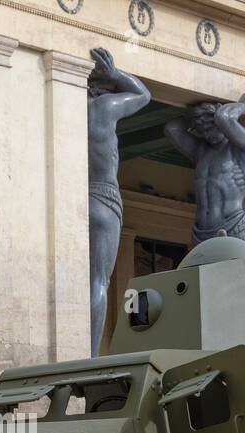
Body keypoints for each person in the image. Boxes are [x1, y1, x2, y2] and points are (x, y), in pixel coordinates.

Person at [86, 48, 149, 357]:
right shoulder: (106, 108)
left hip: (69, 197)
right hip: (103, 197)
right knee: (98, 281)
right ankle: (90, 354)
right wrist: (116, 74)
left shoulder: (70, 107)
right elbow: (143, 94)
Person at [165, 93, 245, 247]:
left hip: (231, 226)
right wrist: (194, 116)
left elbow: (224, 117)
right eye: (202, 131)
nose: (207, 135)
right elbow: (172, 129)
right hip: (201, 232)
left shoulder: (243, 147)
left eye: (209, 128)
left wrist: (244, 106)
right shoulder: (201, 151)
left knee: (235, 272)